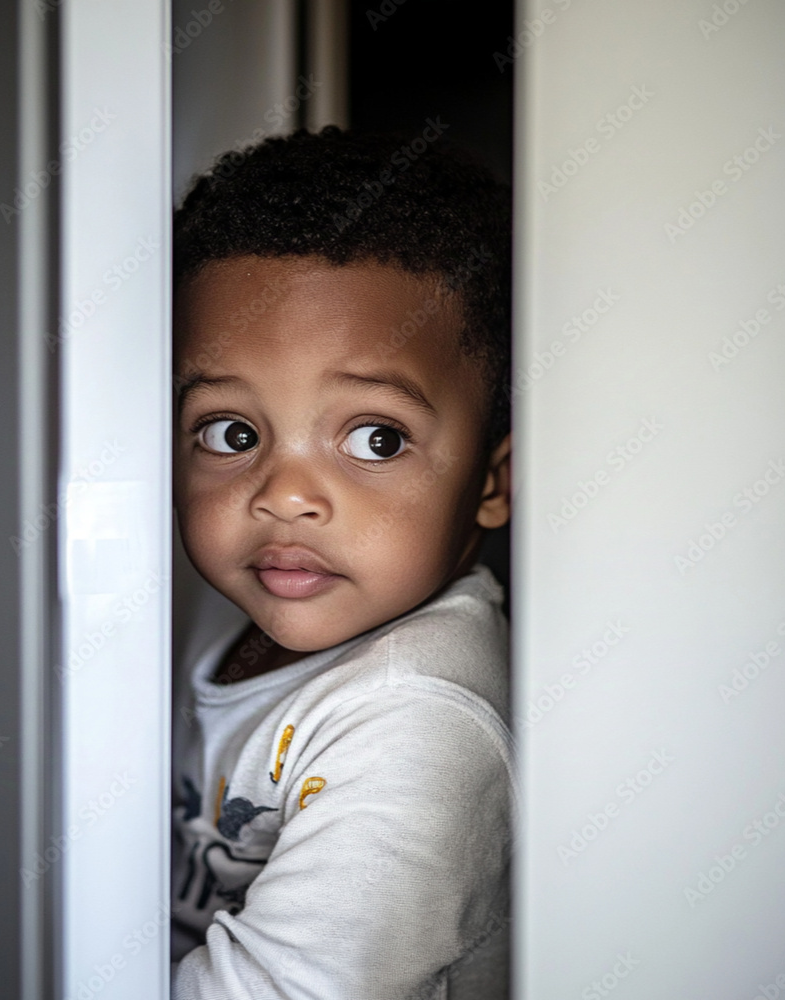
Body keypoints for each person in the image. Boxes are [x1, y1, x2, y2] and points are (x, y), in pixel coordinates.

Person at [170, 126, 517, 999]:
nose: (284, 495)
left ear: (491, 479)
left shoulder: (418, 720)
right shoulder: (221, 619)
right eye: (231, 433)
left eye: (374, 438)